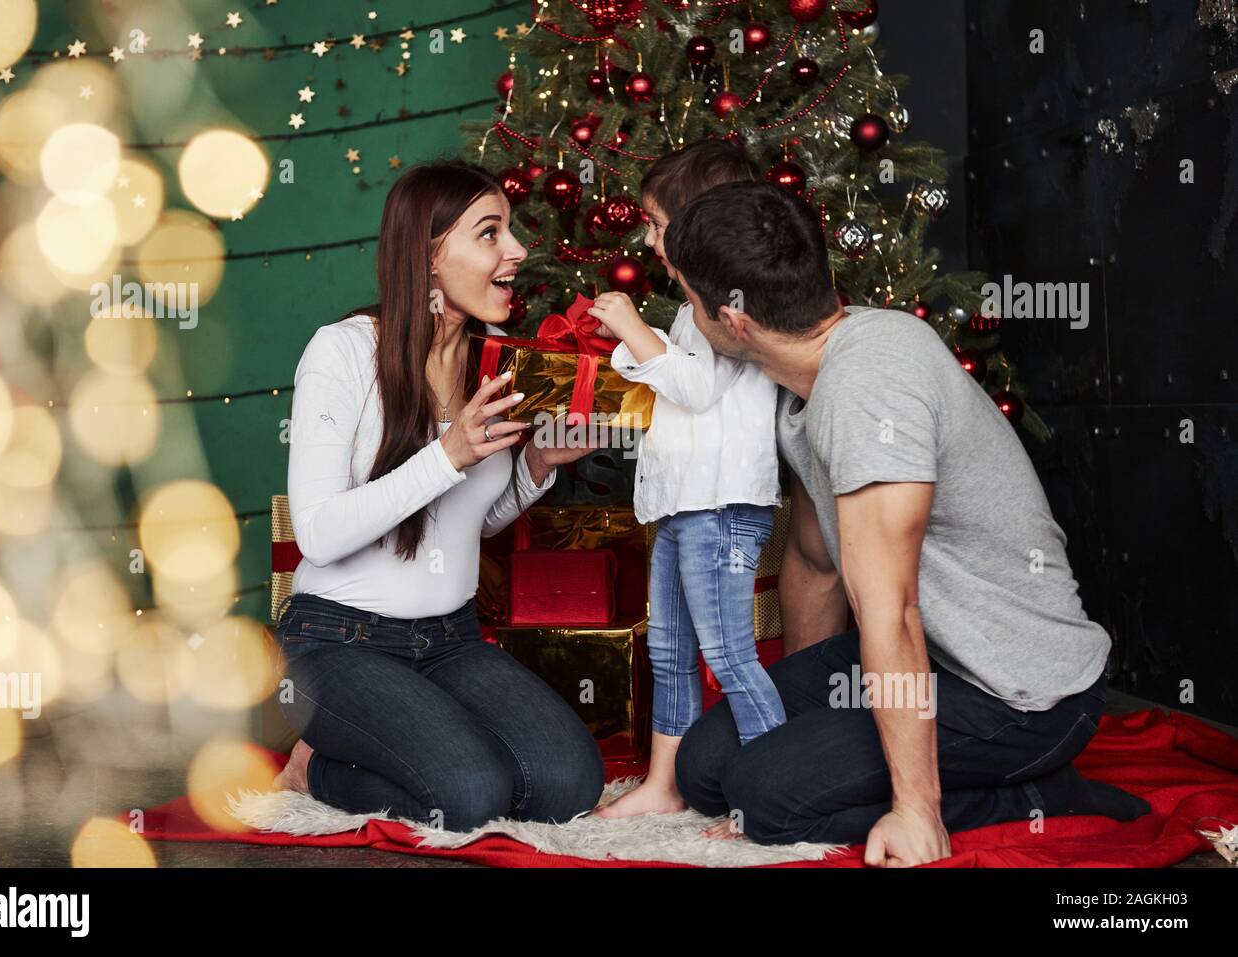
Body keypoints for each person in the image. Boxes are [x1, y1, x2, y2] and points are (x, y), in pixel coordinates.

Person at [661, 181, 1149, 864]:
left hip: (1019, 692)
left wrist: (912, 807)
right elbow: (815, 560)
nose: (688, 315)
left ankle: (1039, 795)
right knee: (707, 767)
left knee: (762, 798)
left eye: (688, 299)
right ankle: (815, 770)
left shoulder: (867, 389)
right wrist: (804, 730)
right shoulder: (807, 380)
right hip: (931, 659)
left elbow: (889, 610)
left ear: (735, 322)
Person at [272, 160, 604, 832]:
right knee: (471, 794)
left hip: (451, 641)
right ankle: (314, 766)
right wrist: (448, 452)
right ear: (428, 255)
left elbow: (474, 522)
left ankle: (402, 738)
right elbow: (319, 532)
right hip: (336, 642)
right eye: (490, 234)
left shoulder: (497, 357)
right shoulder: (341, 353)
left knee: (570, 782)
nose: (517, 251)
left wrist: (537, 462)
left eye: (511, 231)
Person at [588, 141, 785, 820]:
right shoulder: (689, 306)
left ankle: (771, 792)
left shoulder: (730, 303)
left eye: (655, 223)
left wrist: (632, 327)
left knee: (729, 652)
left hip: (722, 507)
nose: (647, 238)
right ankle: (665, 784)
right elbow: (672, 383)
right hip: (680, 506)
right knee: (669, 649)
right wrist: (638, 342)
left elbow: (697, 387)